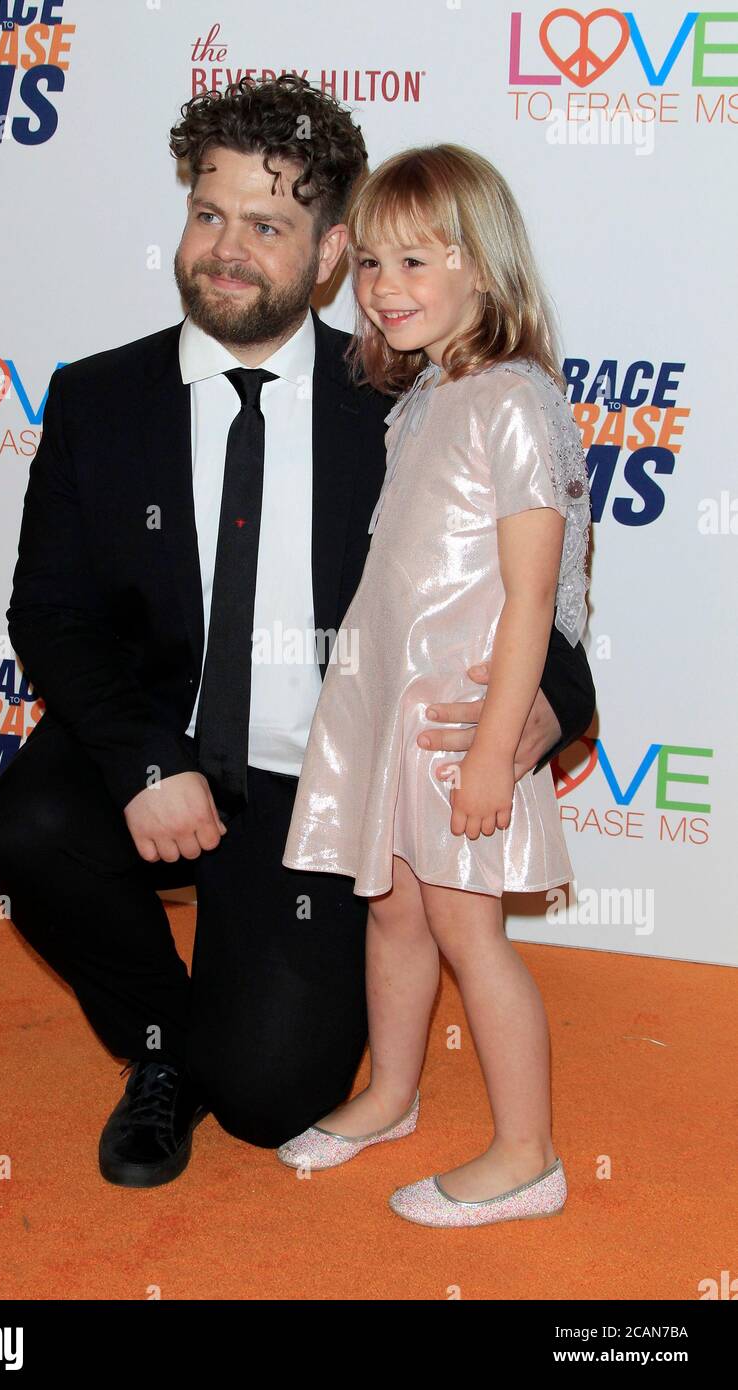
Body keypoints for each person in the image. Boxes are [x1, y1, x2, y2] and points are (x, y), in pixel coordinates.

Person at [0, 78, 595, 1191]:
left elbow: (520, 586)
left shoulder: (400, 403)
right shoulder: (97, 399)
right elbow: (49, 611)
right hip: (158, 753)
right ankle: (161, 1048)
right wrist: (145, 759)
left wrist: (545, 700)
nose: (226, 247)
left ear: (325, 253)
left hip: (319, 780)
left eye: (266, 225)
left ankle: (243, 1045)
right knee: (29, 828)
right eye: (208, 213)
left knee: (267, 1099)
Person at [278, 143, 592, 1229]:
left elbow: (530, 598)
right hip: (391, 718)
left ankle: (525, 1154)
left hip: (460, 730)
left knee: (470, 935)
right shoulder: (422, 398)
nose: (383, 287)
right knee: (393, 917)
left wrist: (493, 749)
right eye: (367, 263)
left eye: (415, 261)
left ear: (482, 268)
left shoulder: (512, 401)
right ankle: (389, 1094)